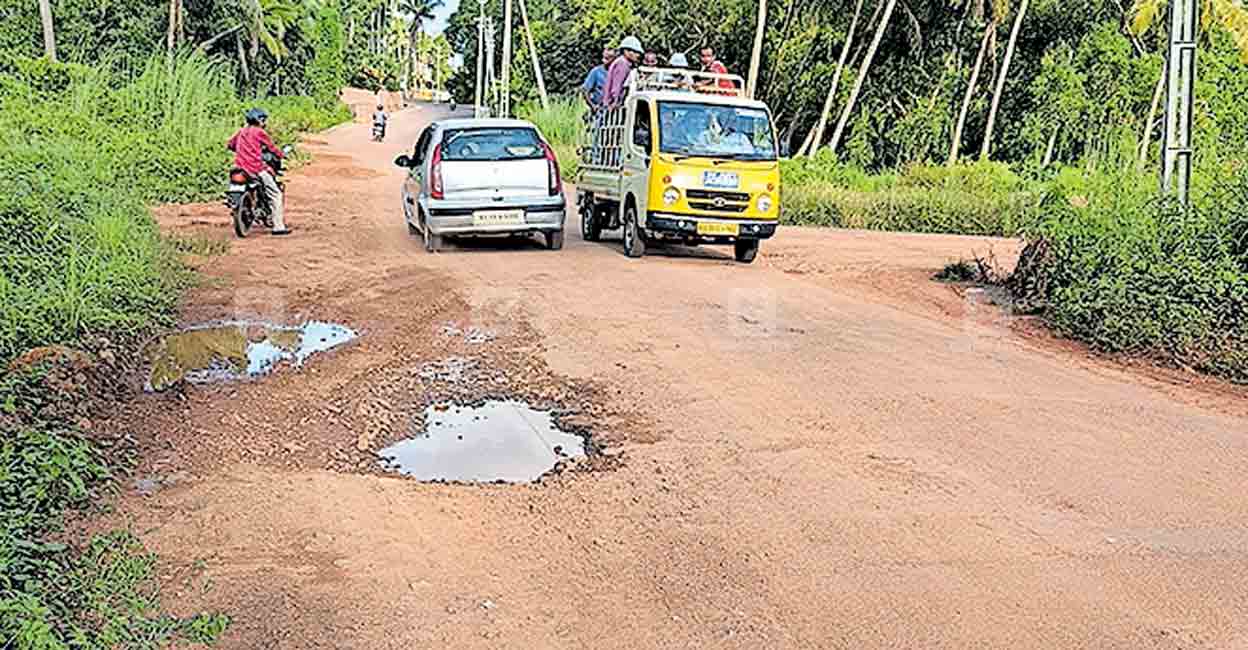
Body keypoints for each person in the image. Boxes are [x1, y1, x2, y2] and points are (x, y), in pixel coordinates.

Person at [227, 108, 290, 235]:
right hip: (256, 168)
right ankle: (278, 227)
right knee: (275, 194)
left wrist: (241, 150)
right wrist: (282, 154)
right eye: (264, 120)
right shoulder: (260, 132)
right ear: (260, 120)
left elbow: (230, 145)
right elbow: (272, 148)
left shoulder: (241, 132)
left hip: (240, 168)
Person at [602, 36, 643, 107]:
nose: (638, 55)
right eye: (635, 52)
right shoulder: (622, 64)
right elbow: (617, 86)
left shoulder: (625, 63)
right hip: (613, 105)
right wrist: (615, 102)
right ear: (626, 51)